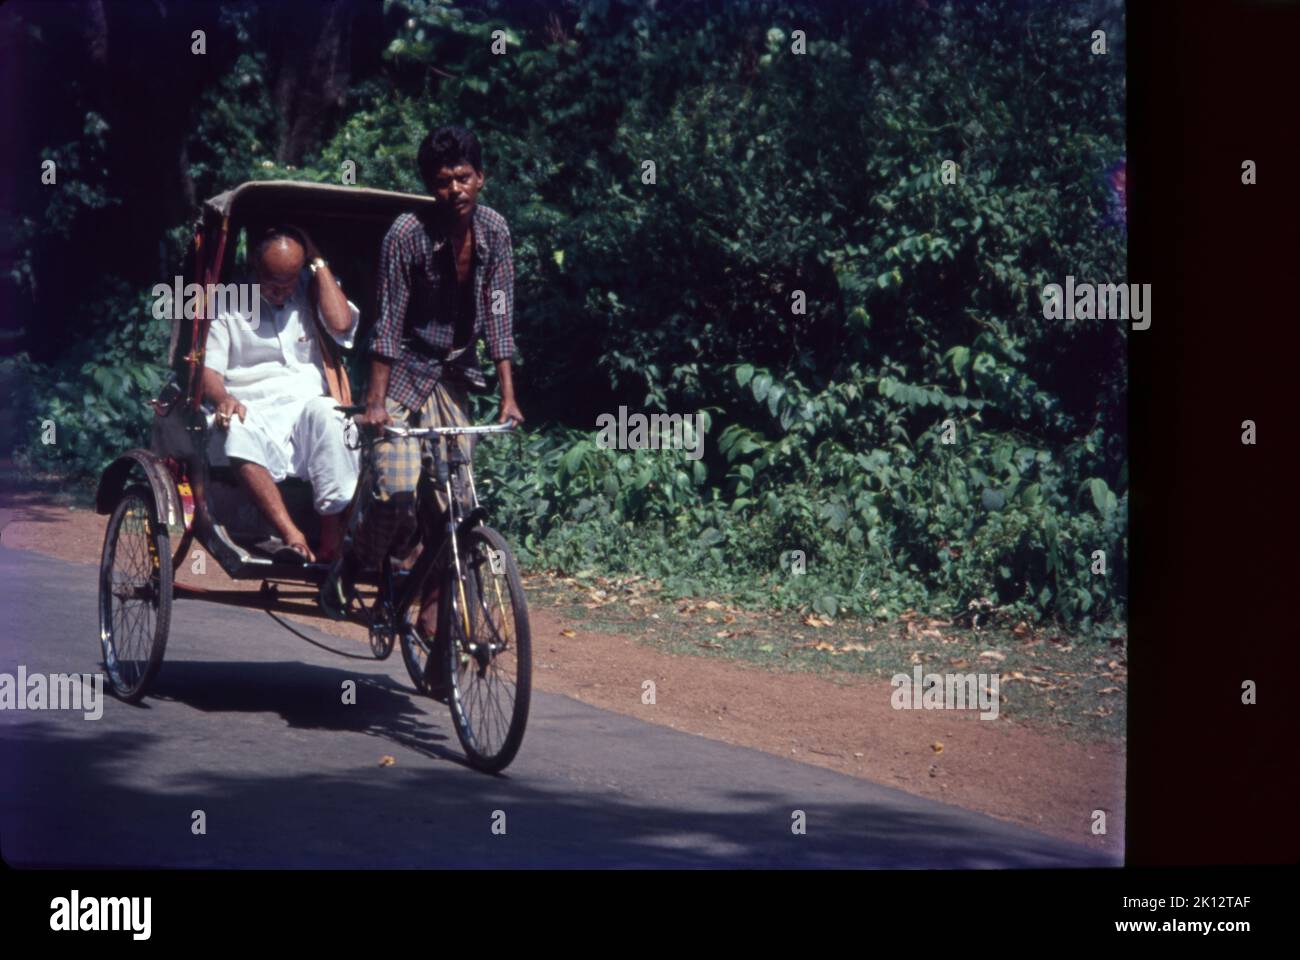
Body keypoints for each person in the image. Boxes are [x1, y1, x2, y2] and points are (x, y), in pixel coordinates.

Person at [320, 126, 523, 658]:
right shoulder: (406, 234)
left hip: (455, 376)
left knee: (454, 505)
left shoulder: (497, 232)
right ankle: (351, 564)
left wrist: (508, 396)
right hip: (403, 374)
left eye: (463, 178)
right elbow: (387, 324)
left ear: (481, 178)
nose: (454, 190)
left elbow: (500, 318)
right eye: (441, 182)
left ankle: (435, 616)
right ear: (429, 187)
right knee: (398, 488)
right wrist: (376, 404)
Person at [203, 225, 360, 563]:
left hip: (306, 408)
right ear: (254, 270)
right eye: (271, 285)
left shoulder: (310, 287)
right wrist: (223, 399)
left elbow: (342, 323)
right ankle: (292, 534)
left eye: (288, 285)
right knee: (236, 430)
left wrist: (317, 261)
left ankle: (331, 534)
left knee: (333, 416)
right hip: (252, 407)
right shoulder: (230, 299)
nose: (281, 294)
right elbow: (209, 370)